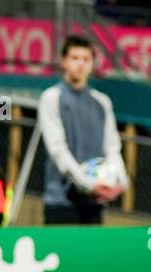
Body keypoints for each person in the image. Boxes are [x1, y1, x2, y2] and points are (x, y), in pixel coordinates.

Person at [38, 35, 127, 225]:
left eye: (86, 59)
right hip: (60, 204)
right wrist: (88, 185)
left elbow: (112, 148)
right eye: (74, 58)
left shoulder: (102, 102)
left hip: (93, 204)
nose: (80, 64)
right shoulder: (51, 98)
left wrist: (120, 181)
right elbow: (57, 150)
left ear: (92, 63)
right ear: (63, 61)